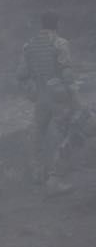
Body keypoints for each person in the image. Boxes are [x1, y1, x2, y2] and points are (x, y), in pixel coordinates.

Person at [16, 11, 78, 195]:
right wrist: (75, 99)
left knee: (38, 134)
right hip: (58, 98)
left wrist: (32, 90)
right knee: (68, 134)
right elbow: (67, 75)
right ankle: (56, 177)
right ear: (56, 24)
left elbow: (21, 74)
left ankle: (37, 174)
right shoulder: (60, 44)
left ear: (42, 25)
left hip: (40, 96)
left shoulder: (29, 46)